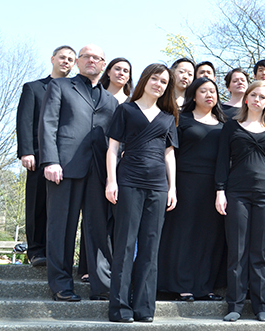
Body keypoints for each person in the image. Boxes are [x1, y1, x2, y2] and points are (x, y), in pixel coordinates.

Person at [39, 44, 118, 302]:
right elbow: (48, 123)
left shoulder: (111, 100)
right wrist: (50, 160)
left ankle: (102, 285)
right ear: (78, 61)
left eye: (97, 57)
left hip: (99, 171)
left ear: (103, 64)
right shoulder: (60, 86)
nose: (92, 60)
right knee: (62, 227)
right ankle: (61, 284)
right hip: (65, 168)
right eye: (87, 57)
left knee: (98, 230)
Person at [105, 63, 179, 323]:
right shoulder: (125, 110)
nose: (159, 84)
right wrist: (111, 181)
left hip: (158, 186)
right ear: (146, 80)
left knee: (150, 247)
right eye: (155, 79)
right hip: (128, 181)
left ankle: (144, 309)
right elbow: (113, 148)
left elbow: (169, 155)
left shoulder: (169, 117)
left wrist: (173, 188)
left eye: (164, 82)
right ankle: (120, 308)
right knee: (125, 244)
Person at [216, 80, 265, 322]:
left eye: (262, 96)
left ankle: (260, 306)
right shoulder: (231, 127)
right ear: (246, 98)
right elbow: (221, 161)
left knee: (261, 251)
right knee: (237, 250)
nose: (258, 99)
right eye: (254, 95)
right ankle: (235, 304)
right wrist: (220, 191)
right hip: (237, 193)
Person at [157, 77, 226, 302]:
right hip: (184, 182)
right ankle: (181, 285)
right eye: (203, 91)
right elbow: (170, 154)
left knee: (209, 236)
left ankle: (204, 286)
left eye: (213, 91)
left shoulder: (224, 124)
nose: (209, 95)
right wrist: (171, 186)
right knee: (183, 234)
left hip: (213, 186)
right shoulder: (181, 120)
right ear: (193, 95)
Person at [17, 45, 76, 267]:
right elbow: (24, 121)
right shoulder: (33, 88)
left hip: (66, 158)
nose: (66, 62)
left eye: (71, 59)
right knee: (38, 203)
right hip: (39, 156)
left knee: (59, 208)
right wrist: (26, 151)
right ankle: (35, 250)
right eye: (62, 57)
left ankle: (55, 251)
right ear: (52, 59)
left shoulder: (74, 90)